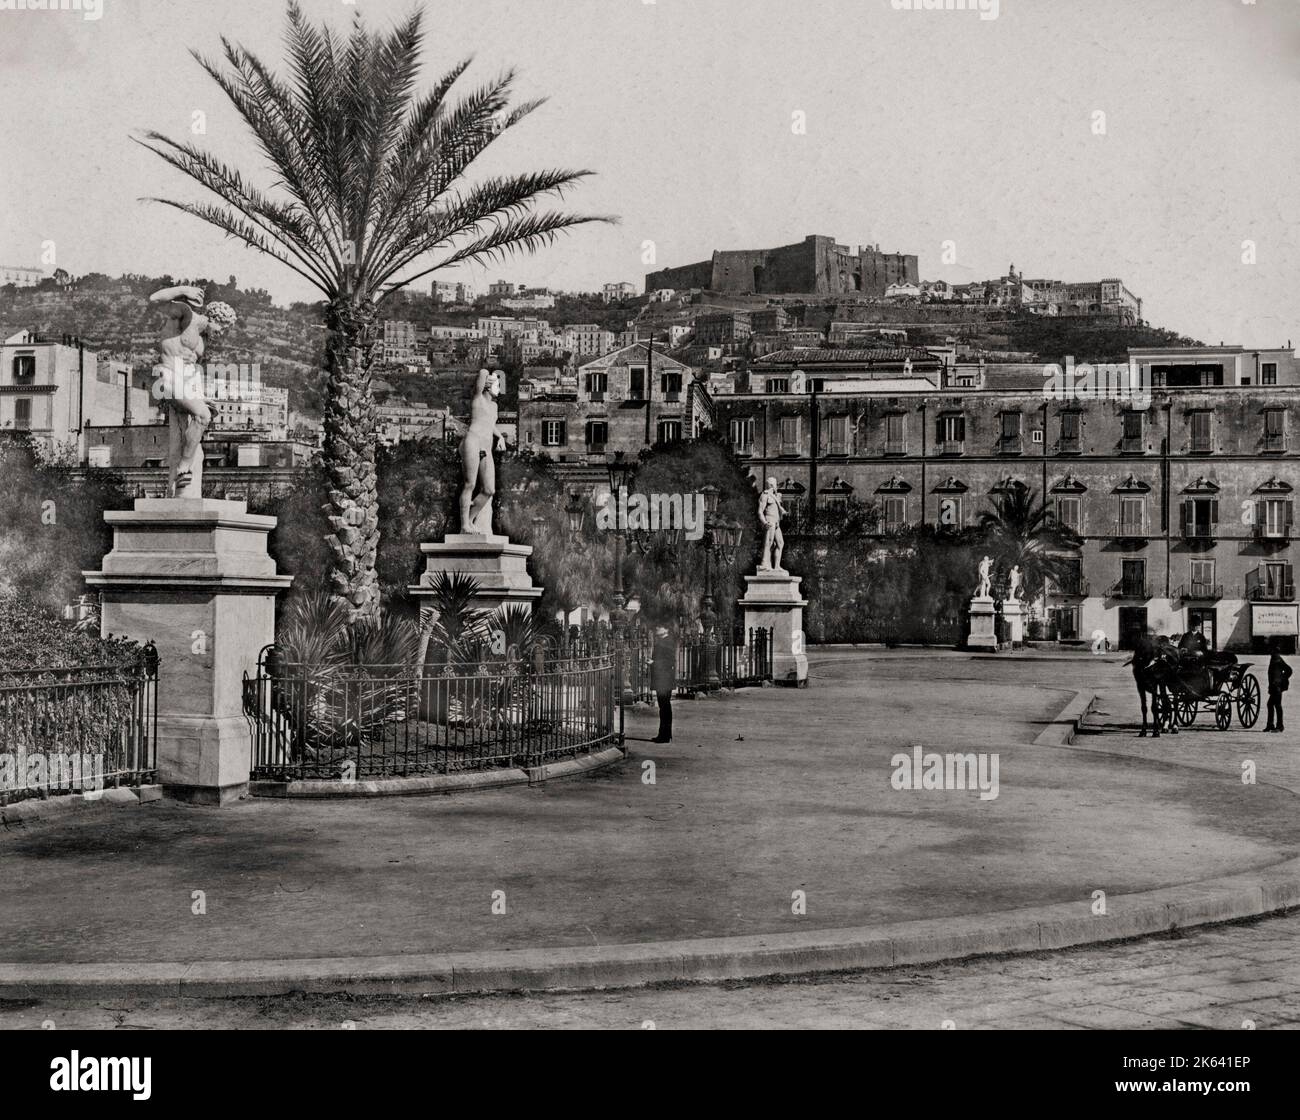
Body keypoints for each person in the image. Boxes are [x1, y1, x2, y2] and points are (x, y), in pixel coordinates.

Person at [650, 623, 675, 743]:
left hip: (664, 679)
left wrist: (653, 663)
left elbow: (670, 661)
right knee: (664, 707)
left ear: (666, 629)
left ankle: (664, 735)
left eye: (659, 626)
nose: (656, 627)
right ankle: (664, 734)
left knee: (664, 707)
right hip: (662, 679)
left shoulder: (667, 642)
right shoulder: (662, 641)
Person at [1265, 642, 1292, 733]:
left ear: (1274, 651)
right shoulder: (1274, 658)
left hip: (1277, 687)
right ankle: (1270, 725)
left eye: (1271, 650)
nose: (1269, 651)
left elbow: (1289, 670)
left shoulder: (1277, 659)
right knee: (1270, 704)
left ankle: (1279, 726)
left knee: (1277, 705)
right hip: (1274, 686)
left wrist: (1282, 679)